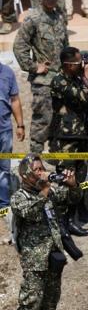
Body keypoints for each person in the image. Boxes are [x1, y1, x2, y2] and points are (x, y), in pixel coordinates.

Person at [4, 154, 82, 310]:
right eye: (36, 170)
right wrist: (44, 192)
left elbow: (72, 198)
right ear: (25, 175)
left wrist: (73, 184)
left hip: (53, 256)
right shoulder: (19, 197)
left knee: (49, 302)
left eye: (41, 168)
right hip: (34, 260)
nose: (41, 172)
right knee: (29, 304)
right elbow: (27, 212)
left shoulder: (49, 191)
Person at [50, 46, 88, 237]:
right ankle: (62, 225)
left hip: (81, 134)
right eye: (78, 63)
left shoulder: (77, 78)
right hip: (66, 138)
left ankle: (72, 222)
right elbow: (80, 97)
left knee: (78, 180)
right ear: (68, 65)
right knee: (66, 180)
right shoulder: (59, 81)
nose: (82, 65)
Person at [13, 0, 68, 154]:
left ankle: (53, 159)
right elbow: (19, 47)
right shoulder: (33, 18)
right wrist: (33, 67)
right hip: (43, 82)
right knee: (42, 121)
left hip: (61, 80)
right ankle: (35, 160)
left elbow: (66, 46)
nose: (51, 0)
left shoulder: (59, 17)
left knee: (59, 121)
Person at [0, 63, 24, 210]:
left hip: (4, 130)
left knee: (4, 168)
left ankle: (3, 204)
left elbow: (14, 100)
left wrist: (20, 125)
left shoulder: (8, 72)